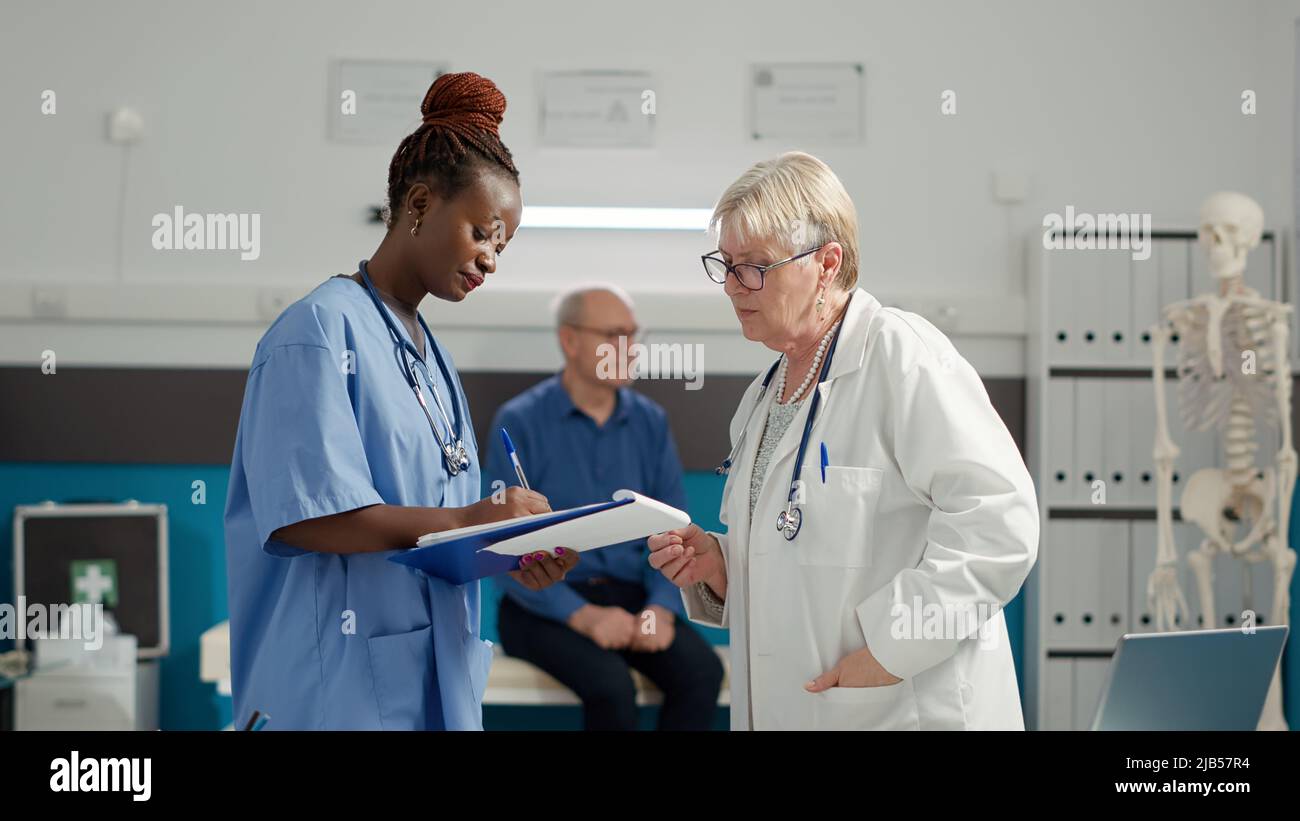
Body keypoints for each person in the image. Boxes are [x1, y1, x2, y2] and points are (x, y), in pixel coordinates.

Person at [224, 72, 577, 731]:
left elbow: (431, 528)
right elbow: (308, 519)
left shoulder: (426, 351)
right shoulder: (317, 332)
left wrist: (506, 549)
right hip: (333, 688)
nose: (491, 259)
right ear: (418, 204)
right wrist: (474, 518)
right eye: (483, 232)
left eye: (502, 245)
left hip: (426, 680)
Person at [648, 151, 1039, 730]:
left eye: (755, 266)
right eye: (725, 264)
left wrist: (889, 651)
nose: (733, 286)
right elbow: (804, 557)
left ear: (826, 262)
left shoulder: (901, 357)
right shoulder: (763, 396)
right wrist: (721, 566)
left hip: (901, 709)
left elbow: (999, 523)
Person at [487, 285, 724, 730]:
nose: (629, 349)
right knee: (611, 688)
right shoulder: (519, 421)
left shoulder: (650, 422)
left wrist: (660, 608)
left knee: (702, 675)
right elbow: (504, 550)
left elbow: (676, 529)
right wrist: (583, 615)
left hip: (632, 601)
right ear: (570, 340)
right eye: (614, 335)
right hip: (543, 603)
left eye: (634, 335)